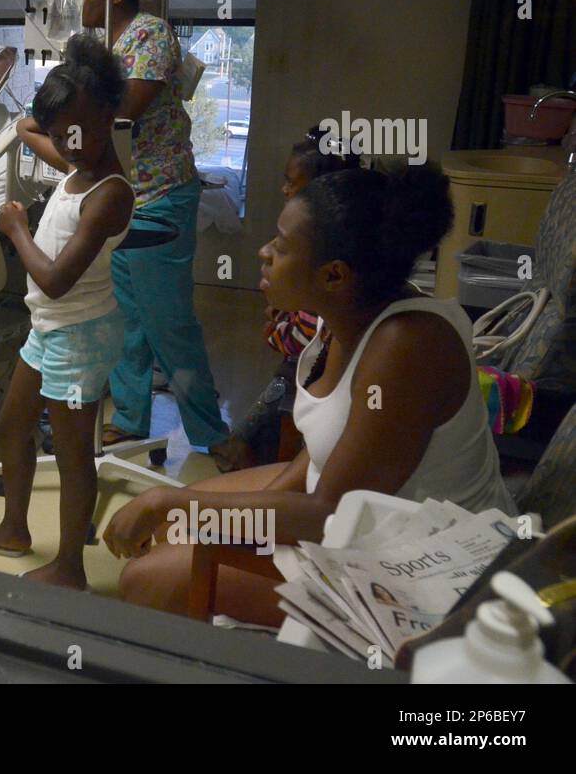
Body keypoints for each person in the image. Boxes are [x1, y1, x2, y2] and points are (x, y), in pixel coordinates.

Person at [102, 165, 516, 623]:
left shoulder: (405, 347)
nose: (264, 252)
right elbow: (329, 447)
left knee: (145, 579)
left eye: (280, 245)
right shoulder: (341, 314)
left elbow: (327, 514)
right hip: (345, 506)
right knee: (173, 532)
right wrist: (250, 522)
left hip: (419, 558)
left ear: (334, 275)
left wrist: (172, 503)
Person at [16, 0, 234, 467]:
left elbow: (115, 125)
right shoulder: (100, 45)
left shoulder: (150, 35)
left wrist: (35, 135)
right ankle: (131, 420)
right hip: (119, 199)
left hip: (157, 196)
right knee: (126, 320)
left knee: (168, 324)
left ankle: (214, 434)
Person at [0, 35, 135, 591]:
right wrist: (52, 115)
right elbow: (27, 128)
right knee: (11, 424)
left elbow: (52, 280)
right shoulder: (76, 160)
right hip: (50, 329)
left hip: (79, 332)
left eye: (74, 132)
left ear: (108, 117)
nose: (64, 144)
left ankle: (70, 568)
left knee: (74, 454)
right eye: (59, 136)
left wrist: (17, 229)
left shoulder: (110, 193)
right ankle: (14, 529)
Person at [218, 127, 363, 472]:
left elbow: (297, 338)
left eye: (280, 247)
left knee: (252, 435)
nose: (264, 252)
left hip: (294, 372)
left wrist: (275, 325)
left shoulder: (324, 305)